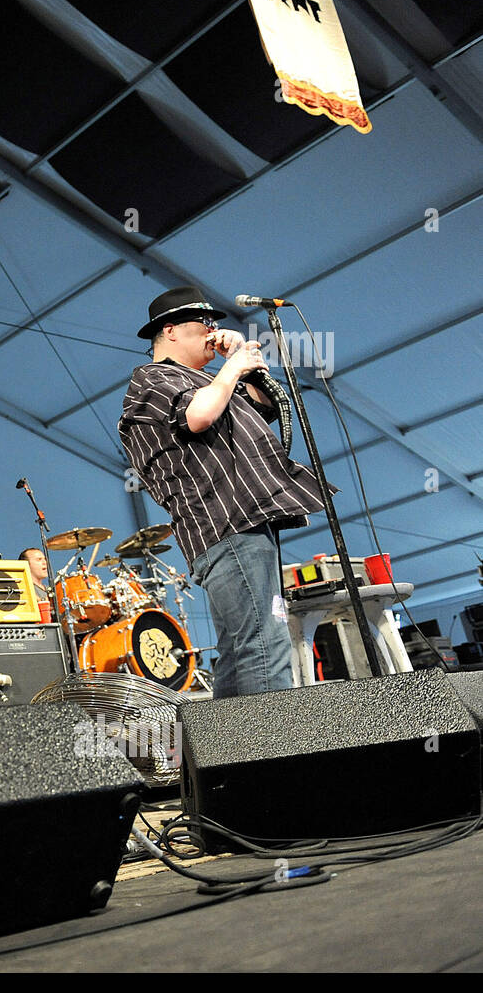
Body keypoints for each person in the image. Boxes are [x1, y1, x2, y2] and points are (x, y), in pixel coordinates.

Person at [118, 286, 327, 699]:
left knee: (239, 646)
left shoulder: (210, 381)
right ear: (172, 330)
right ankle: (271, 751)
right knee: (264, 642)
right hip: (227, 523)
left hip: (244, 522)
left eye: (216, 323)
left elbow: (266, 407)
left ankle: (229, 755)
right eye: (204, 323)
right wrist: (231, 368)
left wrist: (246, 368)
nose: (214, 330)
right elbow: (197, 417)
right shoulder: (154, 377)